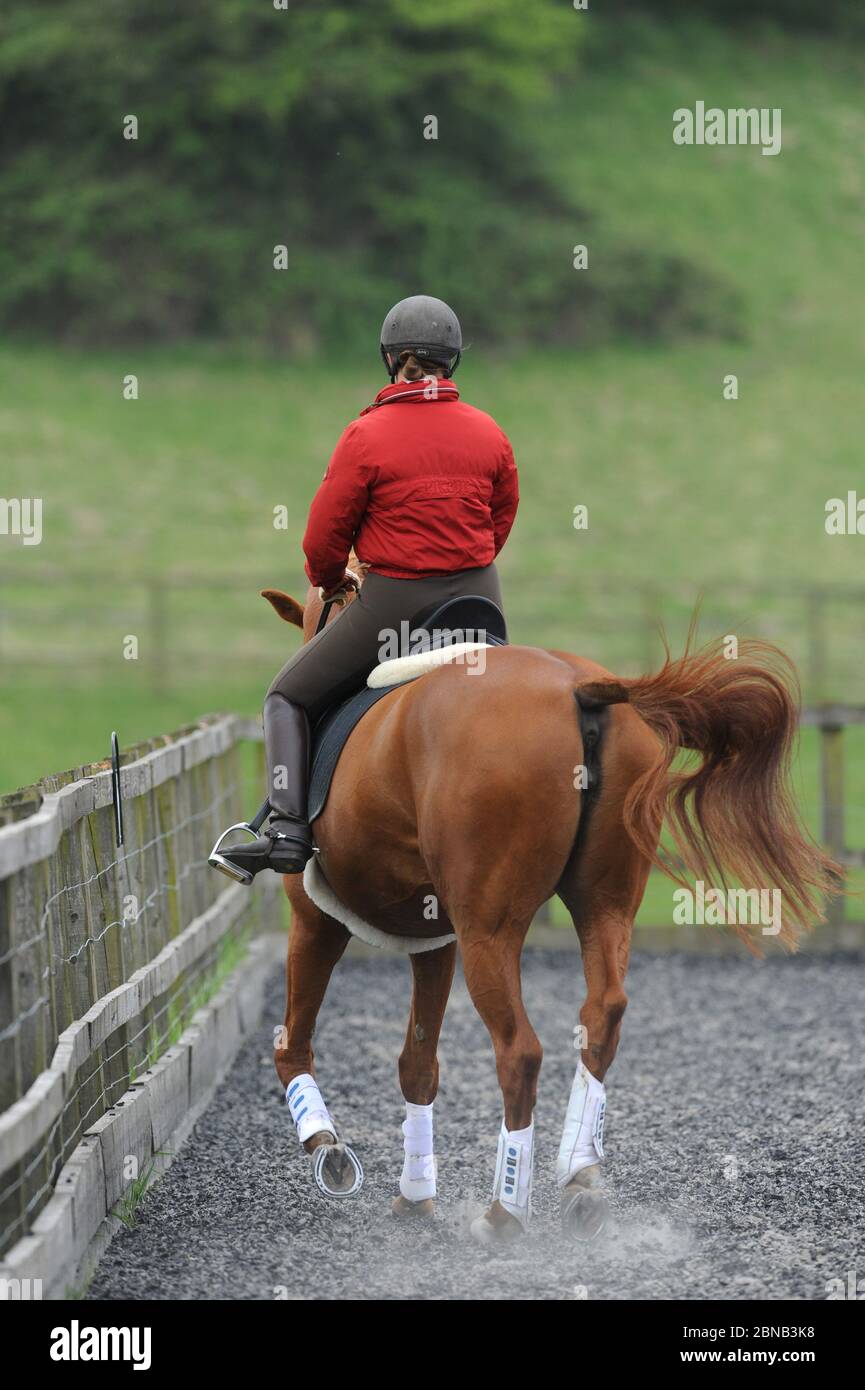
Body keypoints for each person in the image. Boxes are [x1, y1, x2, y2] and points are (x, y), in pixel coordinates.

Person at [213, 295, 519, 881]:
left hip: (394, 603)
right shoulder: (490, 433)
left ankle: (286, 830)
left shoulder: (366, 435)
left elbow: (323, 539)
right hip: (482, 601)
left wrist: (333, 581)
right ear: (450, 365)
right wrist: (465, 564)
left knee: (287, 697)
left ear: (393, 361)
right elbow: (499, 519)